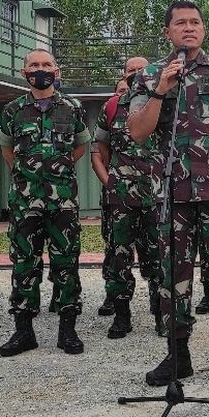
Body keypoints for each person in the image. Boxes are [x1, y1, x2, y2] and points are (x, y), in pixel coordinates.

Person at [127, 0, 209, 390]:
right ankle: (178, 354)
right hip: (172, 194)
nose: (189, 28)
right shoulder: (150, 75)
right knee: (171, 277)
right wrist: (161, 91)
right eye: (180, 23)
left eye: (195, 22)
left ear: (204, 29)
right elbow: (137, 131)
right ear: (167, 31)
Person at [0, 49, 90, 358]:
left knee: (66, 261)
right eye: (34, 65)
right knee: (25, 262)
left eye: (46, 64)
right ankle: (24, 331)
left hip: (62, 200)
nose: (40, 69)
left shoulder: (73, 108)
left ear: (57, 71)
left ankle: (68, 330)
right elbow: (7, 150)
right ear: (24, 73)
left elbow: (80, 146)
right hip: (25, 201)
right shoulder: (12, 110)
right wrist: (28, 175)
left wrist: (57, 171)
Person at [93, 71, 161, 339]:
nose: (136, 75)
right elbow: (103, 149)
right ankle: (122, 316)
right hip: (122, 196)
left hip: (157, 196)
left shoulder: (161, 103)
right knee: (119, 257)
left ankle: (161, 314)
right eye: (131, 70)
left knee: (159, 257)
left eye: (142, 70)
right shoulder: (111, 107)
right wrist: (112, 181)